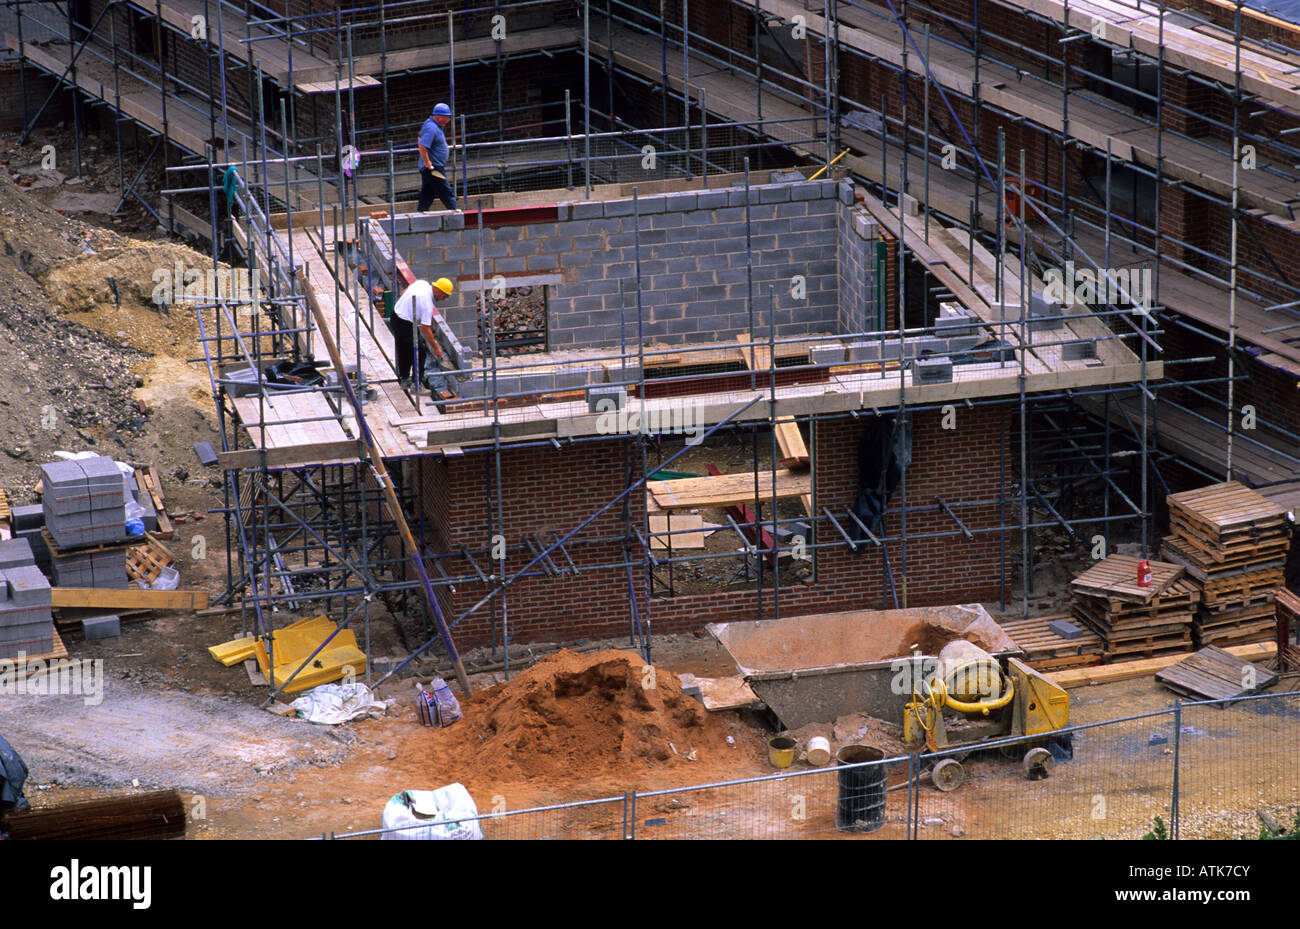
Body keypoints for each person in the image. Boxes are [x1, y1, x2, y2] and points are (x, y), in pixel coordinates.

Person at [389, 277, 455, 390]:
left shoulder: (422, 283)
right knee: (420, 353)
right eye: (444, 296)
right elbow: (426, 329)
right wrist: (436, 348)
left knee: (404, 350)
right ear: (438, 291)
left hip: (395, 316)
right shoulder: (427, 304)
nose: (443, 299)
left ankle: (404, 379)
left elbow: (406, 290)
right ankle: (417, 386)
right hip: (405, 323)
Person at [417, 103, 459, 212]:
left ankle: (421, 213)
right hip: (433, 168)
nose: (448, 120)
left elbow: (419, 138)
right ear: (439, 117)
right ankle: (456, 214)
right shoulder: (431, 127)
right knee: (445, 191)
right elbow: (422, 145)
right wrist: (428, 163)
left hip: (432, 167)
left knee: (427, 193)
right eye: (447, 117)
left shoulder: (432, 125)